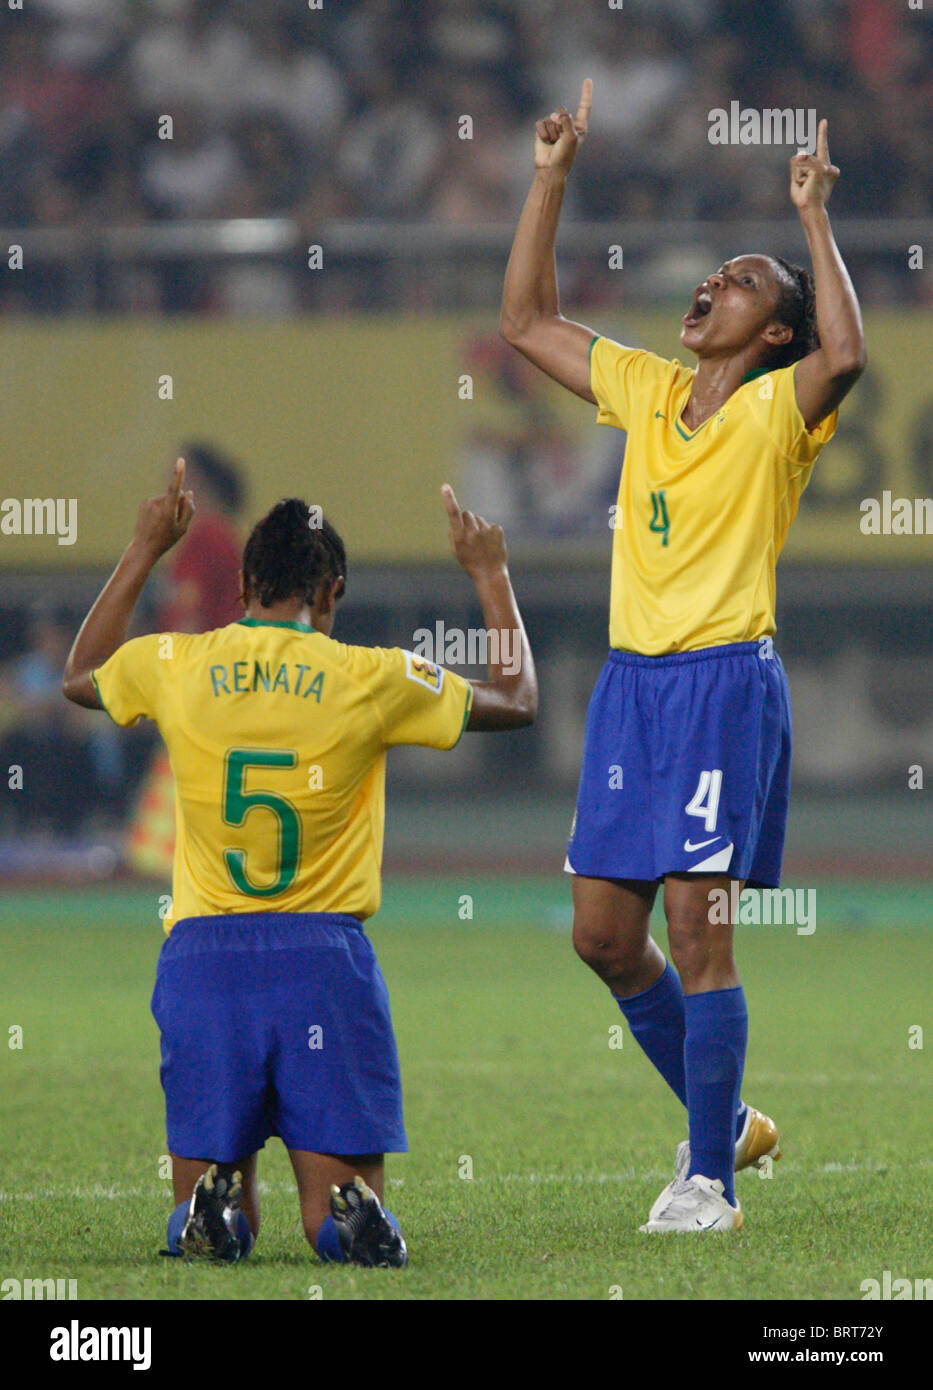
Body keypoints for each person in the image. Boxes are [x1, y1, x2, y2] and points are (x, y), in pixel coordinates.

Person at [500, 81, 865, 1233]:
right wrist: (551, 176)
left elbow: (848, 351)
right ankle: (733, 1124)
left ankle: (706, 1182)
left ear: (773, 334)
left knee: (700, 930)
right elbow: (523, 322)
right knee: (603, 935)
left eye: (745, 280)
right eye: (719, 270)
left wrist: (810, 217)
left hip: (720, 686)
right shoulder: (651, 389)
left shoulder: (781, 413)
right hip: (632, 690)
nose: (715, 282)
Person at [63, 461, 536, 1266]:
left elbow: (80, 678)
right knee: (333, 1209)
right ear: (333, 591)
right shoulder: (372, 676)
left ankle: (212, 1213)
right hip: (323, 960)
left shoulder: (177, 663)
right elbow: (516, 698)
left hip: (205, 959)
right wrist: (490, 574)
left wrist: (144, 549)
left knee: (211, 1211)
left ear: (245, 581)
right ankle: (350, 1219)